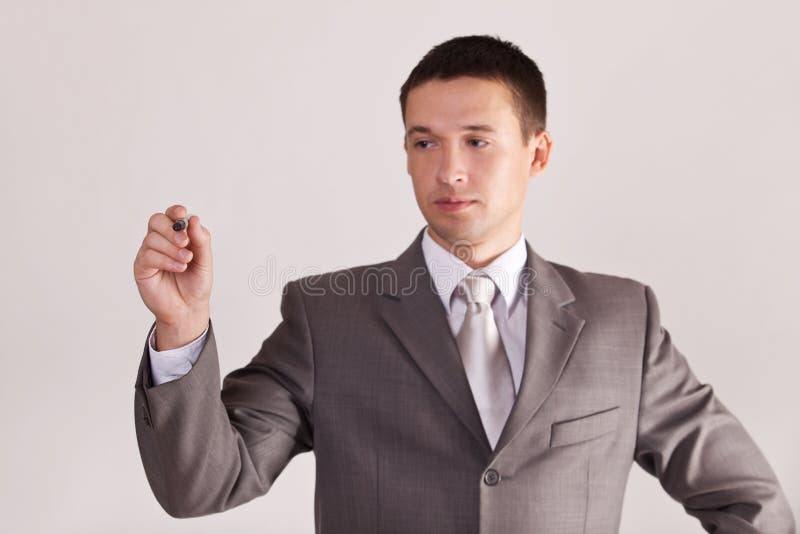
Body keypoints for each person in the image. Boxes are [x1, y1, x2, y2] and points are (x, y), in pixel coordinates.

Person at [132, 35, 796, 533]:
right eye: (426, 143)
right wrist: (182, 326)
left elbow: (751, 504)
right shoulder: (327, 318)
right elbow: (200, 487)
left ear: (538, 153)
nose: (449, 171)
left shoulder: (623, 319)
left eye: (477, 141)